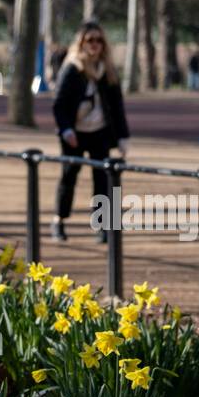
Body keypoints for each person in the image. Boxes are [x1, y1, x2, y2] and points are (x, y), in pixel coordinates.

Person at [50, 20, 130, 244]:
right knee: (69, 175)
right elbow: (59, 104)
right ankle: (59, 220)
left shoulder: (107, 70)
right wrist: (66, 130)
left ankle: (102, 225)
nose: (94, 45)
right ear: (81, 43)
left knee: (102, 178)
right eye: (90, 40)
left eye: (99, 40)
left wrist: (123, 137)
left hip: (100, 132)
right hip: (74, 133)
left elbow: (117, 106)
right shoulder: (72, 68)